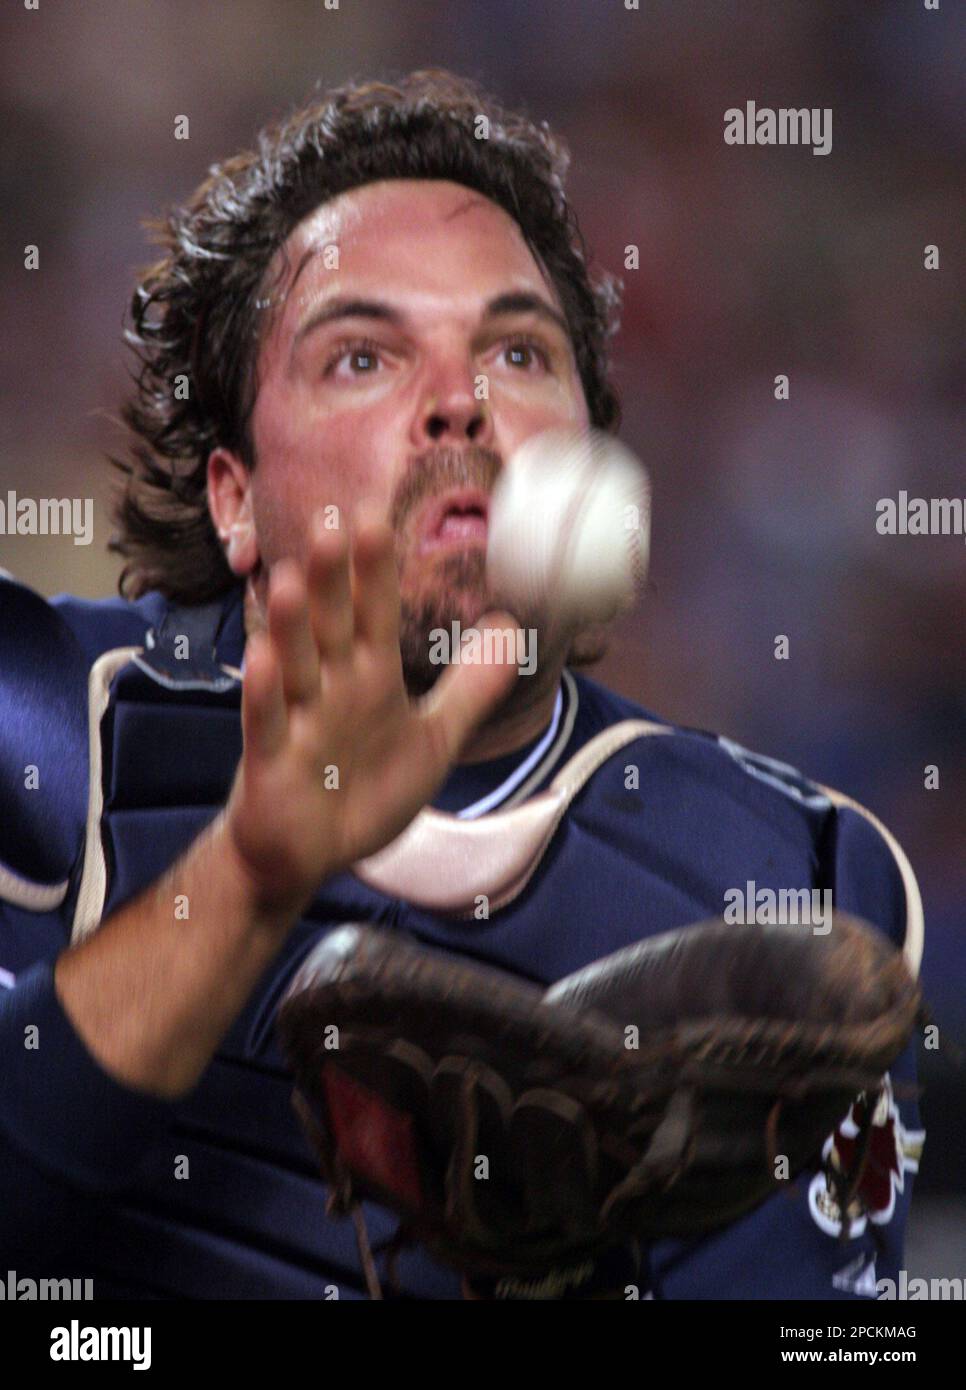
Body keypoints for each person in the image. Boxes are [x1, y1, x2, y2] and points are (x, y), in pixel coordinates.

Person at [0, 68, 923, 1300]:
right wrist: (250, 880)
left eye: (519, 351)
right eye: (365, 356)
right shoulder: (47, 723)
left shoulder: (796, 874)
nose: (462, 405)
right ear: (234, 496)